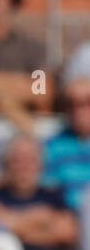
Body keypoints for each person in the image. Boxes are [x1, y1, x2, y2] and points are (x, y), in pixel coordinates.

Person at [0, 136, 80, 250]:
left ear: (40, 165)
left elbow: (66, 232)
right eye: (17, 160)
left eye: (30, 160)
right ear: (6, 164)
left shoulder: (54, 196)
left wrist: (11, 222)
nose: (24, 167)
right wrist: (41, 218)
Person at [40, 78, 90, 221]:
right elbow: (48, 190)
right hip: (66, 220)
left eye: (87, 102)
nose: (78, 110)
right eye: (71, 104)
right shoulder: (51, 146)